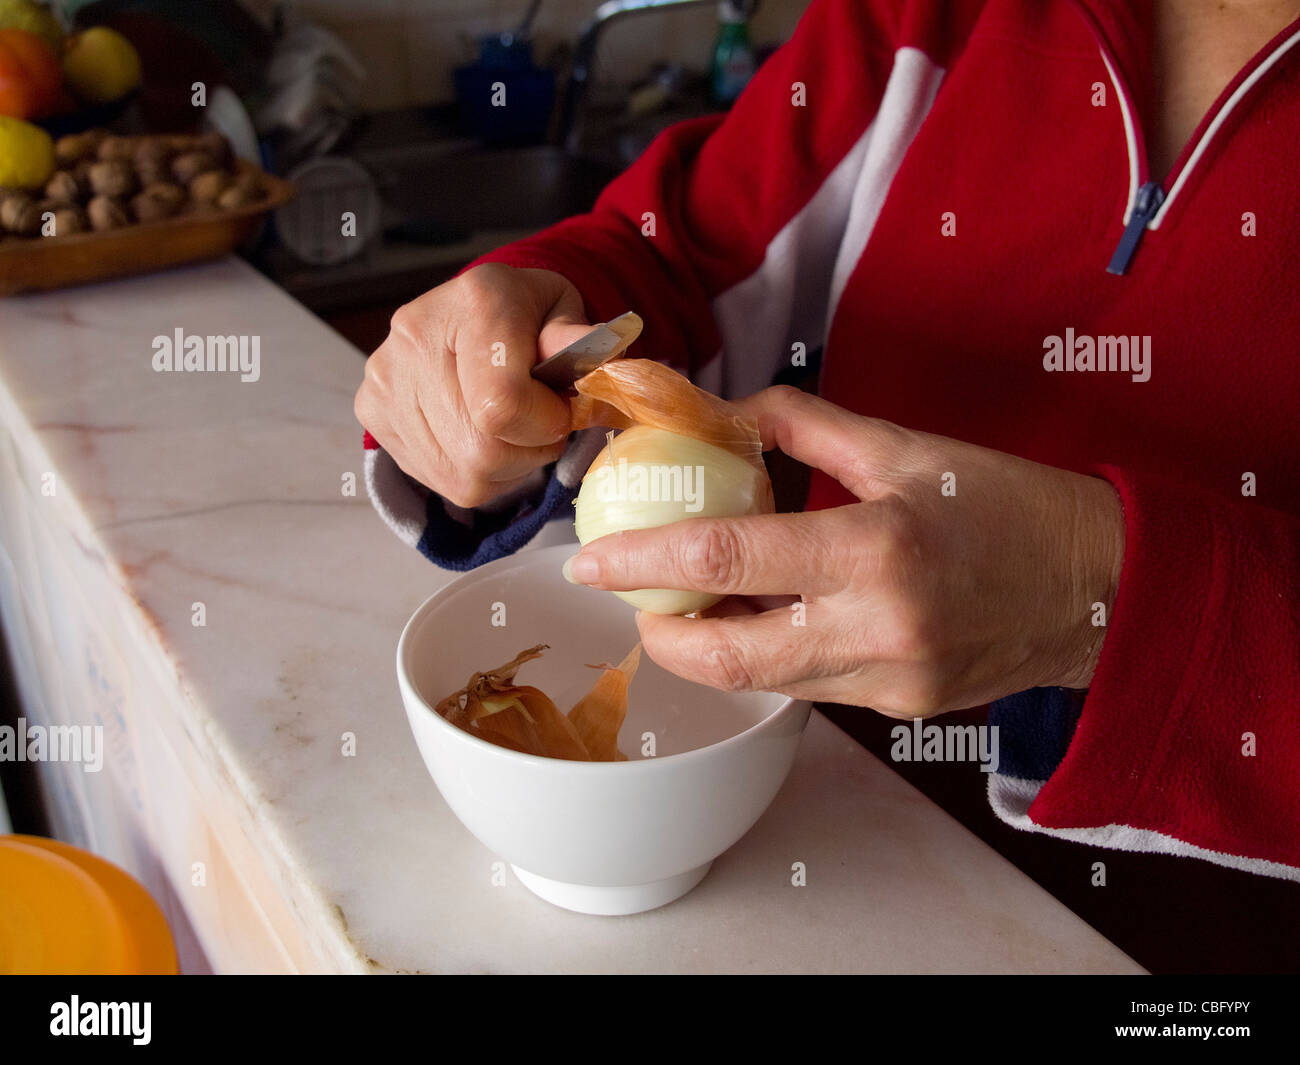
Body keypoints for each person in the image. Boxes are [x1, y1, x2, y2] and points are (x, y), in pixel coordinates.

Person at [355, 0, 1300, 882]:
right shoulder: (925, 17)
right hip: (829, 844)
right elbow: (672, 250)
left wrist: (1094, 600)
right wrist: (516, 322)